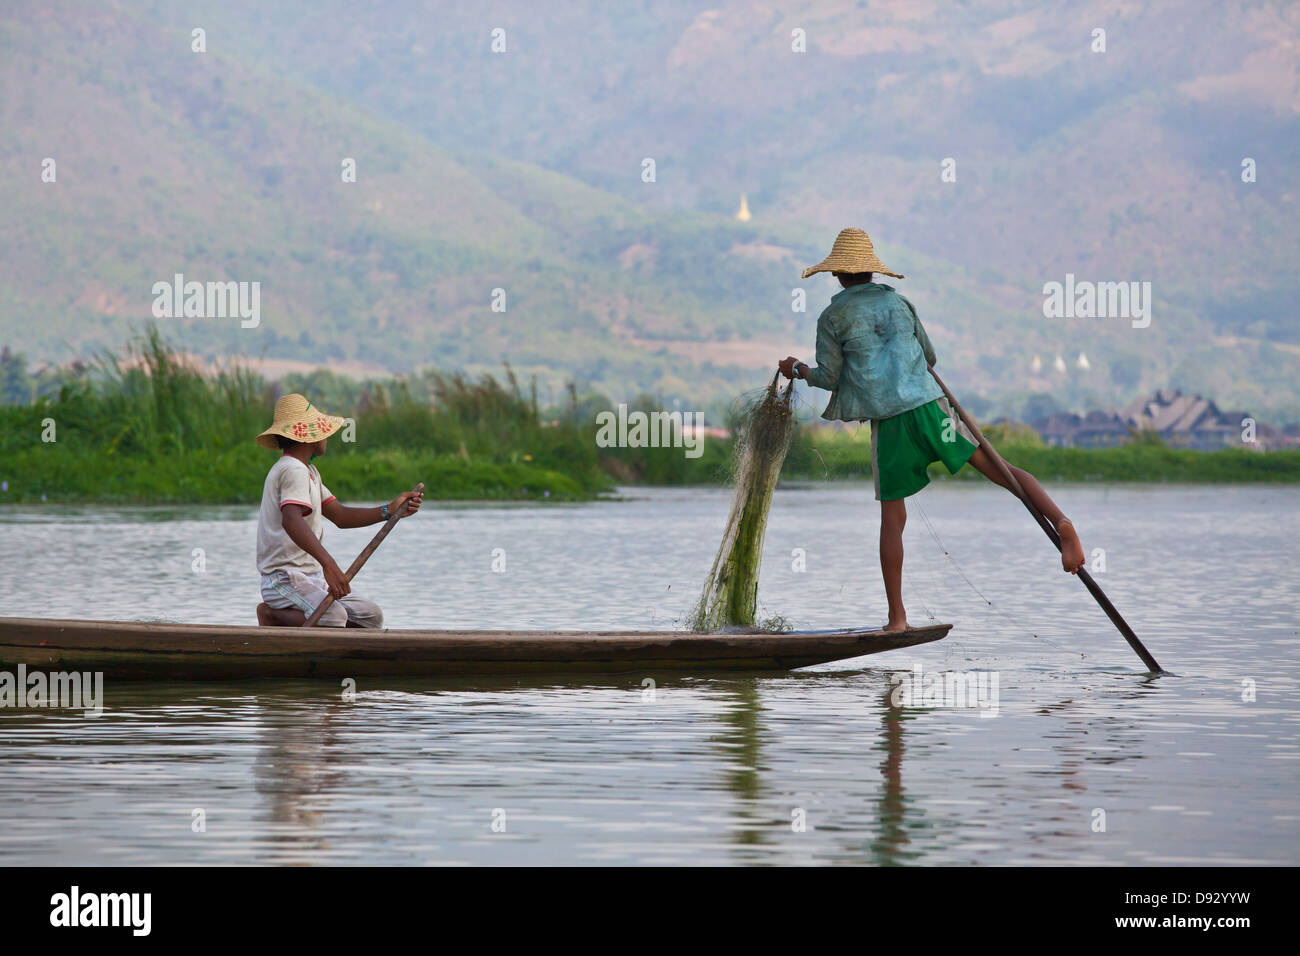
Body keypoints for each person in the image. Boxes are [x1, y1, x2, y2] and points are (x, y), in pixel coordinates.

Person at [779, 227, 1085, 632]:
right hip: (929, 409)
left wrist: (798, 370)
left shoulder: (832, 317)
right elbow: (930, 357)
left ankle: (897, 619)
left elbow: (830, 377)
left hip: (890, 423)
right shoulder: (901, 304)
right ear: (872, 273)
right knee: (1000, 470)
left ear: (837, 275)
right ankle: (1062, 523)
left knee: (892, 519)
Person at [254, 393, 423, 627]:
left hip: (311, 579)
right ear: (310, 437)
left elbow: (340, 516)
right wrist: (329, 565)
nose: (326, 438)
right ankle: (271, 615)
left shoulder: (310, 472)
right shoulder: (292, 469)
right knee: (333, 617)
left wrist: (389, 510)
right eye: (322, 432)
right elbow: (291, 521)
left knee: (370, 616)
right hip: (283, 579)